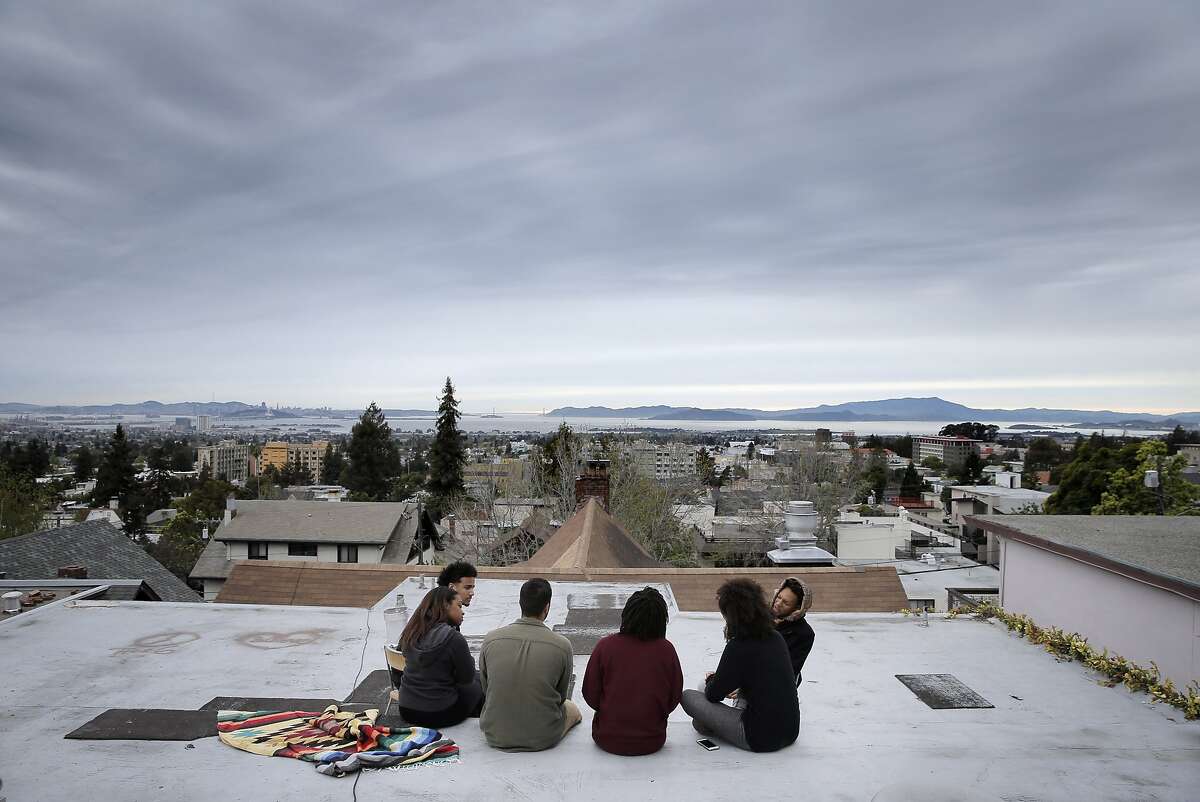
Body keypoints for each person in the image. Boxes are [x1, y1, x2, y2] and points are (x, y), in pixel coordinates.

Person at [681, 578, 799, 753]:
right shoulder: (776, 638)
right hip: (790, 731)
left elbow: (713, 694)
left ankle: (710, 725)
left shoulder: (738, 647)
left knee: (688, 696)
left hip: (759, 738)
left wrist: (712, 679)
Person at [479, 578, 581, 751]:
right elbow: (561, 696)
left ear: (520, 603)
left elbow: (486, 687)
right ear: (547, 607)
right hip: (543, 737)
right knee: (572, 708)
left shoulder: (491, 639)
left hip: (495, 733)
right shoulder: (562, 645)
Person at [582, 587, 683, 756]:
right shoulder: (667, 650)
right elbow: (674, 696)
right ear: (661, 619)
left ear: (627, 614)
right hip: (653, 740)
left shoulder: (606, 646)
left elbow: (590, 693)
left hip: (607, 738)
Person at [396, 586, 483, 728]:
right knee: (478, 684)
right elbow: (466, 678)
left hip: (406, 709)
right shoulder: (453, 638)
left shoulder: (411, 632)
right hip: (439, 713)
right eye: (459, 606)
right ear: (445, 606)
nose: (462, 612)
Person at [772, 576, 815, 685]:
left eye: (785, 603)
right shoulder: (761, 616)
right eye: (778, 597)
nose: (778, 603)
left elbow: (788, 670)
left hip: (777, 687)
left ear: (797, 608)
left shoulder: (804, 634)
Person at [437, 561, 477, 629]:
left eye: (472, 588)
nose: (472, 593)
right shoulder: (440, 622)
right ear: (452, 587)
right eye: (467, 588)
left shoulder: (444, 616)